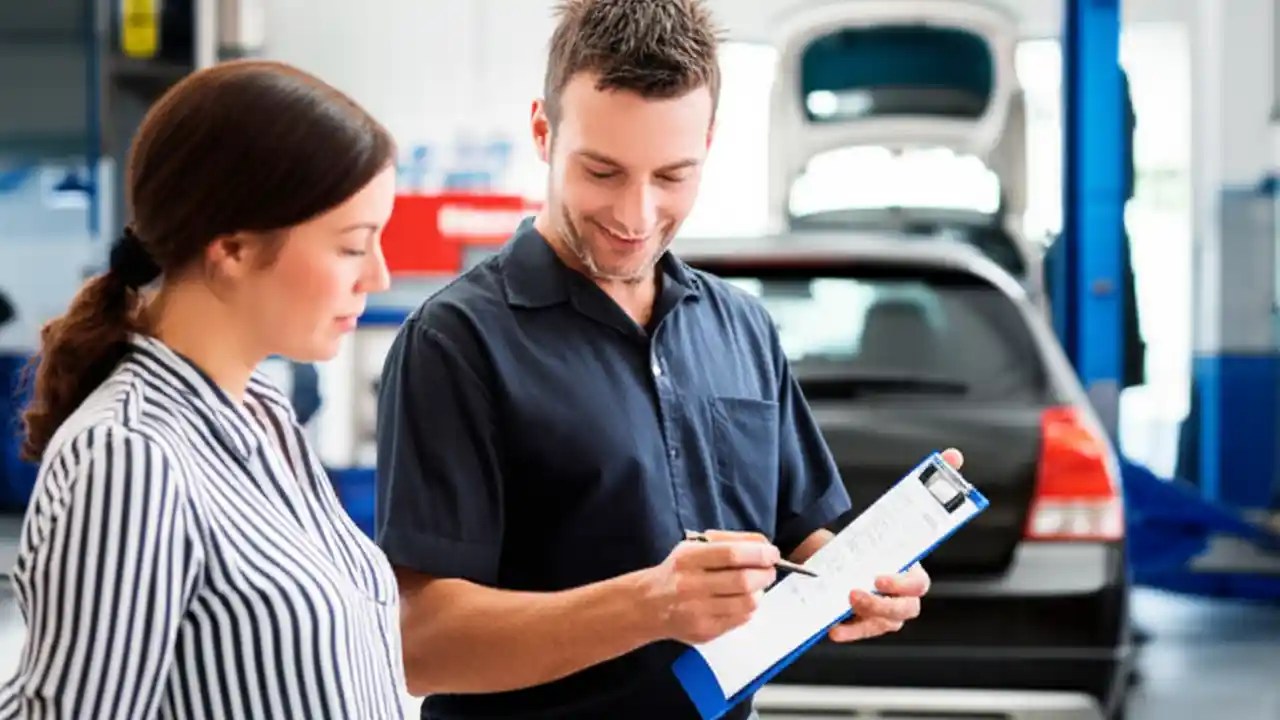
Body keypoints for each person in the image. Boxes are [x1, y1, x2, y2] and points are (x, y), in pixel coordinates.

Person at [375, 1, 962, 718]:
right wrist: (650, 604)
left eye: (672, 176)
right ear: (542, 131)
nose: (636, 213)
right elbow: (421, 643)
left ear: (709, 144)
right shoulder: (455, 343)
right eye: (603, 171)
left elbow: (799, 538)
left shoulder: (740, 326)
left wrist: (856, 580)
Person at [0, 59, 405, 718]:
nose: (380, 277)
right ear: (235, 248)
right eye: (354, 247)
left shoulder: (263, 413)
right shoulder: (131, 458)